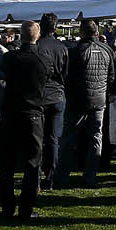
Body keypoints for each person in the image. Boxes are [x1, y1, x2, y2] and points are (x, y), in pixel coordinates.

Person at [0, 20, 51, 222]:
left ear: (20, 36)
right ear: (37, 36)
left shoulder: (10, 58)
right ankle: (26, 208)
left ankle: (7, 207)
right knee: (32, 163)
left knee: (7, 164)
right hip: (33, 113)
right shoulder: (44, 60)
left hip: (10, 112)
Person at [56, 19, 115, 188]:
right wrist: (107, 92)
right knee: (96, 138)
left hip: (78, 100)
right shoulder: (107, 50)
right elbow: (113, 75)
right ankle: (90, 176)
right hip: (99, 100)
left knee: (68, 139)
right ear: (96, 32)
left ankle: (62, 175)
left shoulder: (75, 52)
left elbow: (67, 76)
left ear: (81, 32)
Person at [34, 15, 70, 190]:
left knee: (39, 138)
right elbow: (65, 73)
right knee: (53, 138)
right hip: (57, 95)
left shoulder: (38, 47)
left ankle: (38, 174)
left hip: (42, 95)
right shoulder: (62, 48)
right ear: (55, 28)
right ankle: (51, 175)